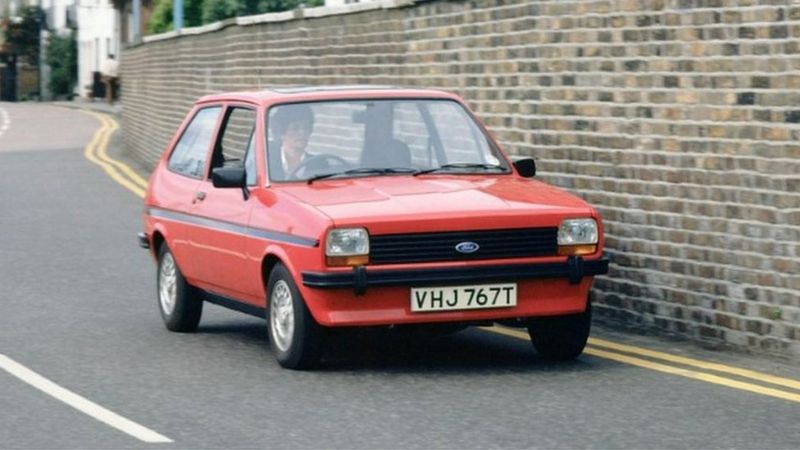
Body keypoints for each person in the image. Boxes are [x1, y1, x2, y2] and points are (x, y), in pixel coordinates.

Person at [268, 104, 314, 180]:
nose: (302, 132)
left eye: (306, 127)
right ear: (281, 132)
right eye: (295, 128)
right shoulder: (267, 162)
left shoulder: (319, 164)